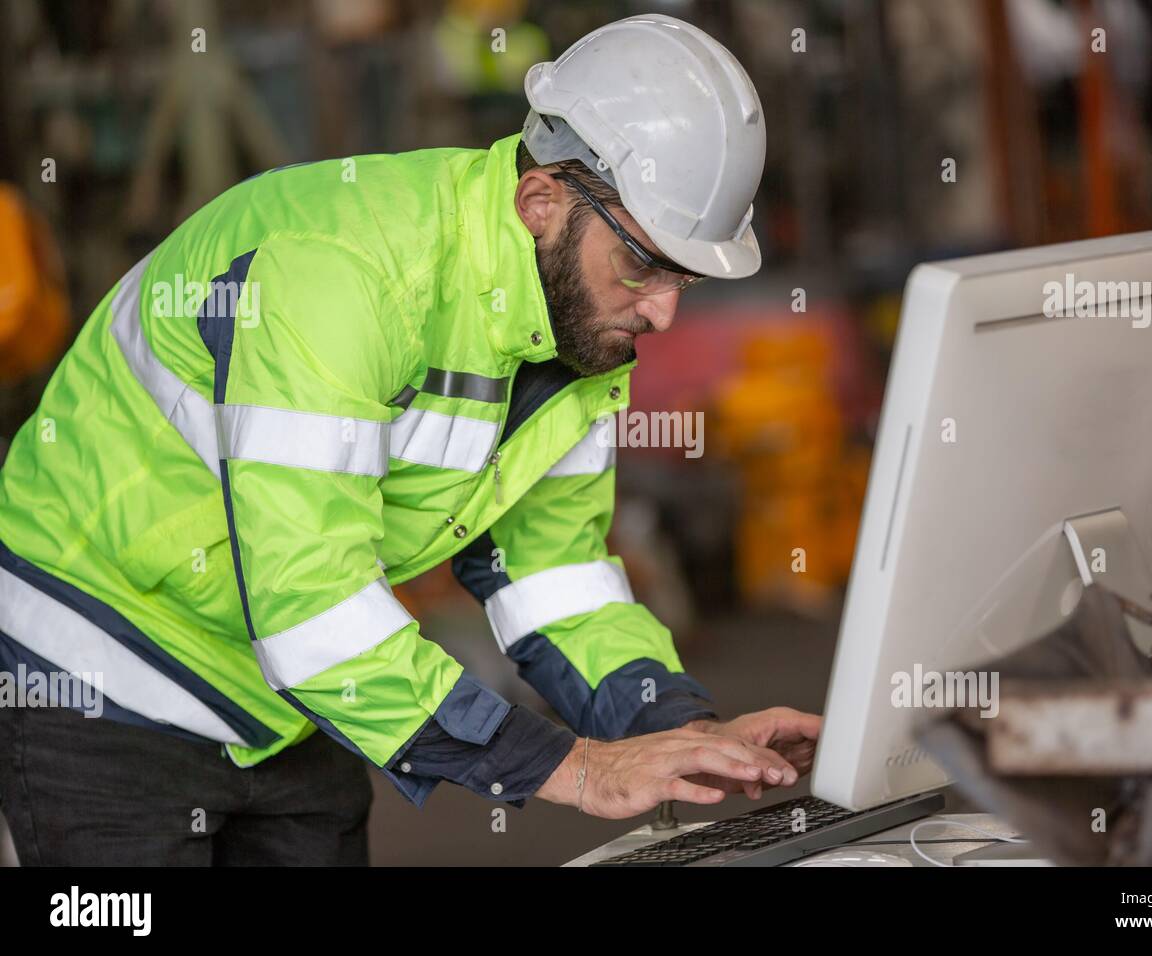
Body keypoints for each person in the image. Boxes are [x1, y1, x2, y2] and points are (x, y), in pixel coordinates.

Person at [0, 13, 819, 865]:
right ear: (542, 201)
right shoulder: (337, 273)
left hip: (287, 698)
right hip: (99, 668)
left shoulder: (579, 330)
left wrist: (677, 729)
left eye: (684, 276)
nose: (663, 311)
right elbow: (311, 605)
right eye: (645, 266)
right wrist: (577, 770)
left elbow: (552, 573)